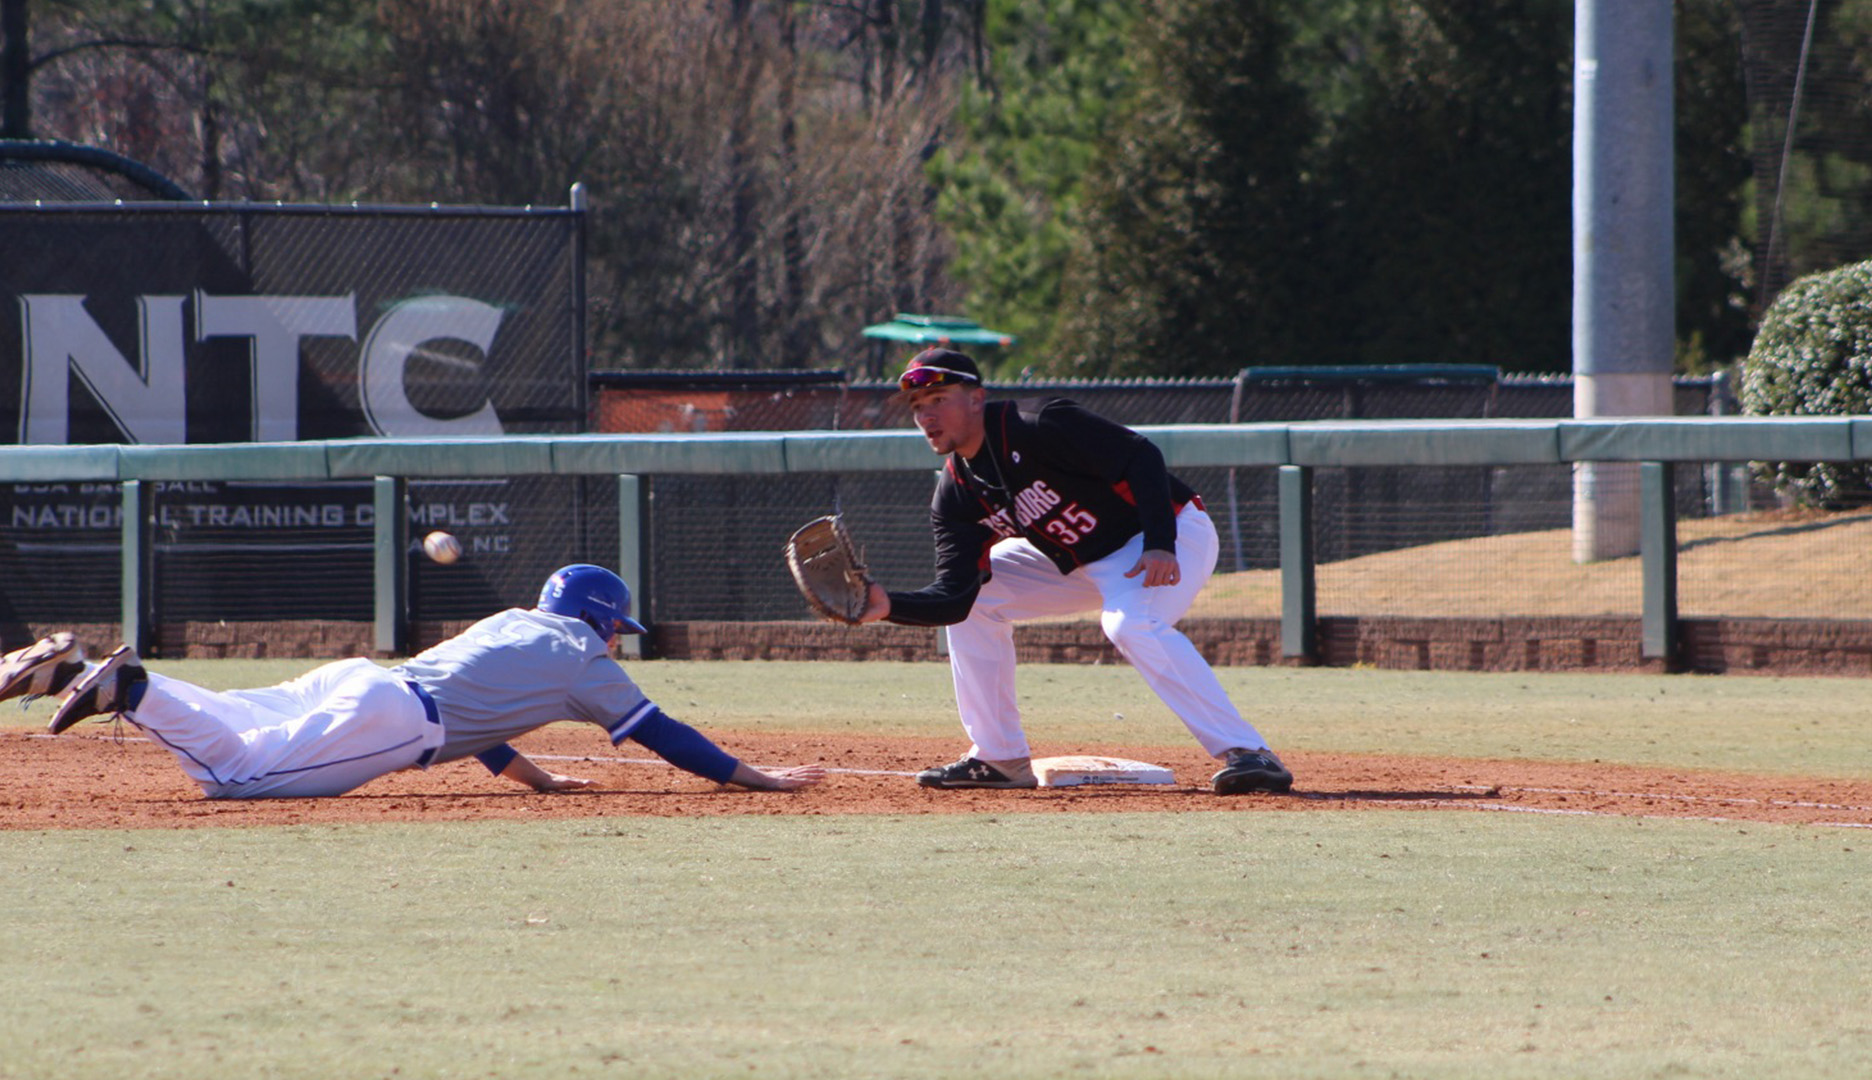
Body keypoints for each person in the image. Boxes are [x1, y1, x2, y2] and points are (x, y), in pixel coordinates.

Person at [857, 348, 1293, 795]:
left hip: (1163, 533)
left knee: (1130, 623)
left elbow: (1140, 457)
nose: (927, 415)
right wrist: (888, 605)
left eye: (938, 398)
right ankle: (999, 757)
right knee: (979, 599)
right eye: (917, 407)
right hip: (1074, 557)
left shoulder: (1039, 425)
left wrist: (1160, 541)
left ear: (976, 398)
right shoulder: (956, 494)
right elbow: (955, 595)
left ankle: (1248, 751)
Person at [1, 564, 825, 799]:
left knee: (241, 716)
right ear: (605, 618)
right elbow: (662, 734)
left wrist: (537, 781)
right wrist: (751, 776)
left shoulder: (511, 621)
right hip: (396, 721)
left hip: (368, 680)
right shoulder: (585, 658)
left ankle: (76, 668)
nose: (618, 637)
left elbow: (485, 713)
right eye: (618, 623)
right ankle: (131, 691)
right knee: (236, 772)